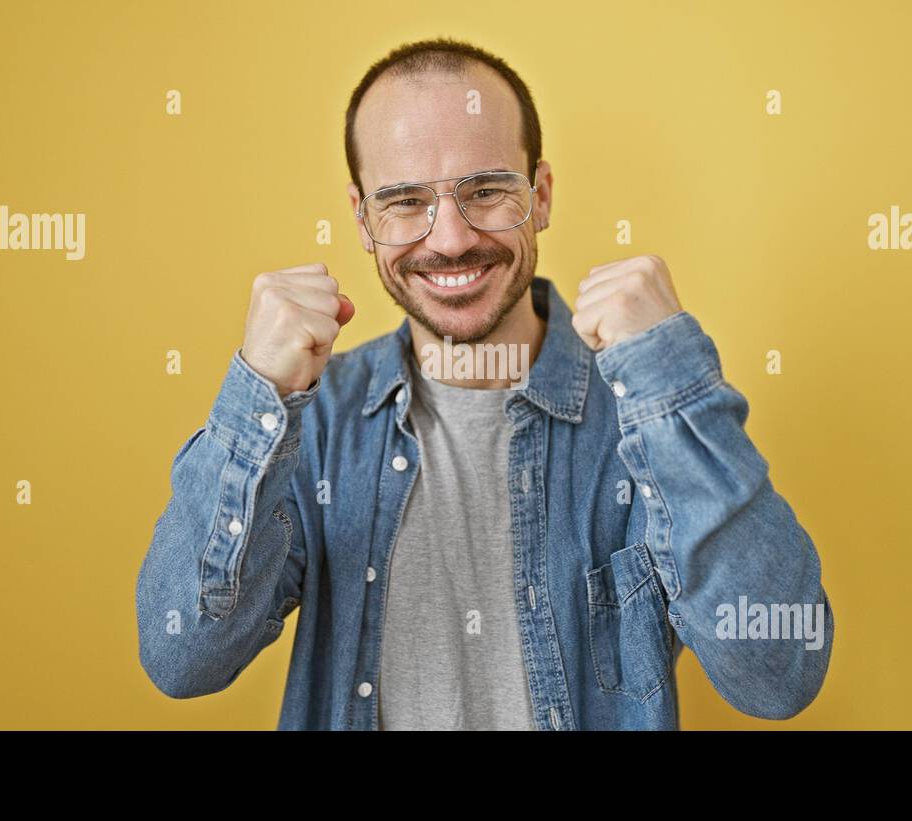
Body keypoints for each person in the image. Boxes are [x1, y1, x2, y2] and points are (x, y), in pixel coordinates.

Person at [135, 37, 834, 730]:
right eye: (405, 202)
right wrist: (256, 393)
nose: (448, 239)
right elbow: (183, 658)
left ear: (542, 195)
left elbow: (780, 673)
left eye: (487, 190)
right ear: (362, 220)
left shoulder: (641, 411)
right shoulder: (310, 423)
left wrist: (668, 379)